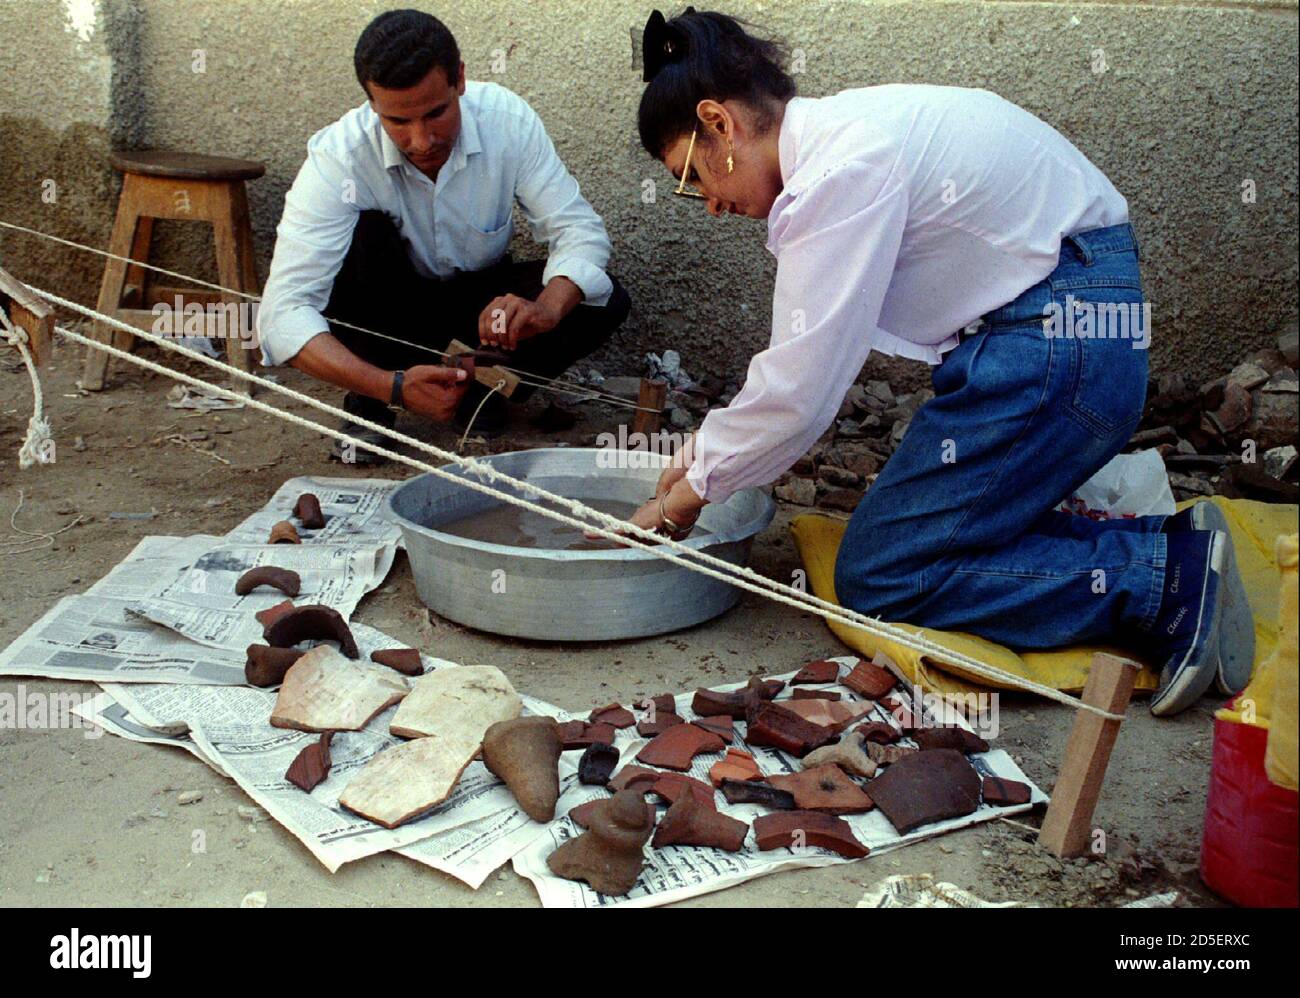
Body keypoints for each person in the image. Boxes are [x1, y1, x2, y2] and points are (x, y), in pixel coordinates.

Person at [628, 8, 1253, 716]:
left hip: (1061, 349)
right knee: (935, 529)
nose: (707, 204)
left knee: (886, 570)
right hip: (1066, 333)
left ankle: (1163, 578)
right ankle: (1165, 549)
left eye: (690, 178)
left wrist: (679, 503)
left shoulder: (838, 172)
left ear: (720, 123)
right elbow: (801, 373)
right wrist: (705, 455)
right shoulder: (850, 135)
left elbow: (799, 393)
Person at [257, 9, 631, 457]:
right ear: (372, 104)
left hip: (477, 314)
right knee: (361, 240)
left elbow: (579, 230)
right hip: (385, 317)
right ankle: (372, 399)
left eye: (437, 113)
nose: (421, 140)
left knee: (602, 297)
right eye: (397, 121)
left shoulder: (506, 121)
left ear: (460, 81)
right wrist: (389, 386)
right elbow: (283, 314)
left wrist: (545, 309)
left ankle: (479, 393)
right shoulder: (340, 157)